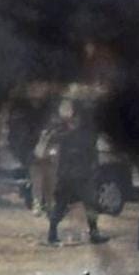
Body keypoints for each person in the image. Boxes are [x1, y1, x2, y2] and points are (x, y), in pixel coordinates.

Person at [47, 83, 109, 245]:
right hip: (81, 172)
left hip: (68, 171)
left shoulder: (69, 127)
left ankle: (52, 232)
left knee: (62, 203)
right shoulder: (85, 128)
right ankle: (94, 233)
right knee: (89, 203)